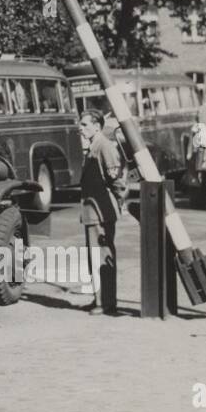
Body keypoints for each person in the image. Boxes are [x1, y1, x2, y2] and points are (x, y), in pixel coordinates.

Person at [78, 110, 126, 314]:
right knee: (93, 256)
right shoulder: (93, 147)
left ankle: (106, 303)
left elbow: (117, 180)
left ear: (97, 126)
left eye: (85, 124)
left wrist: (117, 201)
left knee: (102, 256)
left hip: (101, 211)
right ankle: (98, 299)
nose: (80, 128)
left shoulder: (103, 146)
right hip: (93, 211)